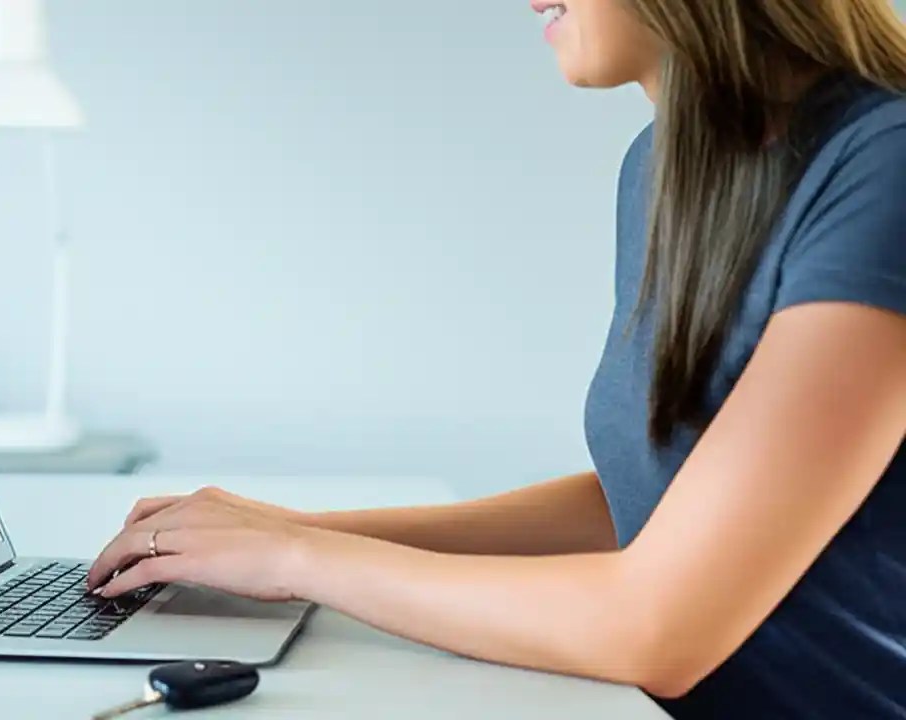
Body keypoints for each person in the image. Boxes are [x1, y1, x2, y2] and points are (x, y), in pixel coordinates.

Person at [87, 1, 906, 716]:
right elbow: (649, 502)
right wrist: (292, 530)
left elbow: (659, 627)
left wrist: (297, 560)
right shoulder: (661, 167)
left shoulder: (884, 167)